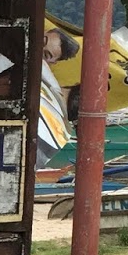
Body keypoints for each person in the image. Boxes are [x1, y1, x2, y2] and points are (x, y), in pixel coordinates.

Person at [35, 27, 80, 166]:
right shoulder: (60, 135)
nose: (37, 50)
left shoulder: (45, 83)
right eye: (42, 41)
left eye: (46, 55)